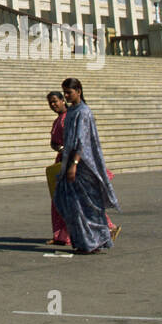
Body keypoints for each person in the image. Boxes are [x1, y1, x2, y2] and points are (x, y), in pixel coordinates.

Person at [53, 77, 121, 252]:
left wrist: (74, 164)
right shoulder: (71, 112)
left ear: (79, 91)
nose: (66, 96)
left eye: (69, 92)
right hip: (69, 160)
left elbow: (82, 141)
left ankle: (95, 241)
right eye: (65, 92)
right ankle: (85, 241)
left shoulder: (83, 111)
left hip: (83, 165)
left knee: (87, 205)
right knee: (72, 204)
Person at [45, 91, 70, 245]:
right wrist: (59, 147)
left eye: (55, 101)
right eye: (50, 103)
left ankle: (107, 228)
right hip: (61, 160)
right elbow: (54, 142)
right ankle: (61, 235)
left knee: (76, 199)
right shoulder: (57, 121)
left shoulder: (71, 117)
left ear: (62, 100)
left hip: (73, 161)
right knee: (59, 199)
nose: (53, 105)